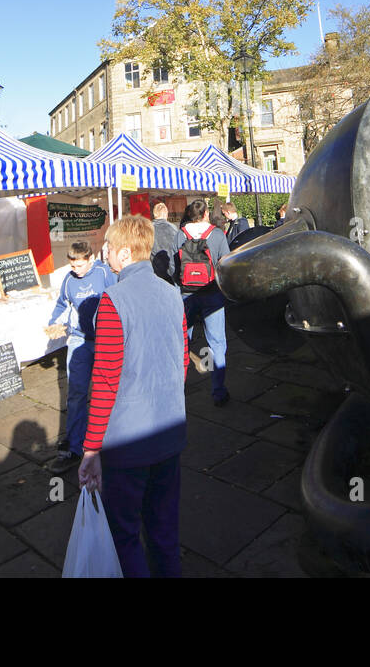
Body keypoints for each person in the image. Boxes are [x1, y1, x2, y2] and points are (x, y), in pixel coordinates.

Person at [77, 215, 188, 578]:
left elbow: (105, 381)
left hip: (128, 442)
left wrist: (91, 449)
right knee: (164, 530)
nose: (105, 253)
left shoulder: (113, 300)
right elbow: (183, 362)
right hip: (169, 432)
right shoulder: (172, 293)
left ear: (124, 253)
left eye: (109, 247)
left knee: (123, 535)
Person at [46, 241, 116, 474]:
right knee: (76, 393)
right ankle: (74, 446)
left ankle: (110, 441)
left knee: (107, 391)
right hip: (79, 340)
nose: (76, 270)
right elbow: (61, 304)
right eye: (72, 265)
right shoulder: (68, 280)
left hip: (104, 339)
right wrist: (54, 323)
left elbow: (118, 298)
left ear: (90, 260)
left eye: (80, 265)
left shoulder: (104, 273)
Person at [178, 199, 232, 405]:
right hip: (212, 293)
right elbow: (226, 264)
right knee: (216, 343)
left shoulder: (181, 234)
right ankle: (218, 391)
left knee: (183, 341)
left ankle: (179, 388)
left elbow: (174, 266)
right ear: (206, 214)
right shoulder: (217, 234)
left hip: (187, 294)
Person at [150, 201, 184, 285]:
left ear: (154, 214)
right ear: (166, 213)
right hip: (171, 271)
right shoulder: (173, 228)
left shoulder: (148, 229)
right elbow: (179, 249)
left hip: (154, 270)